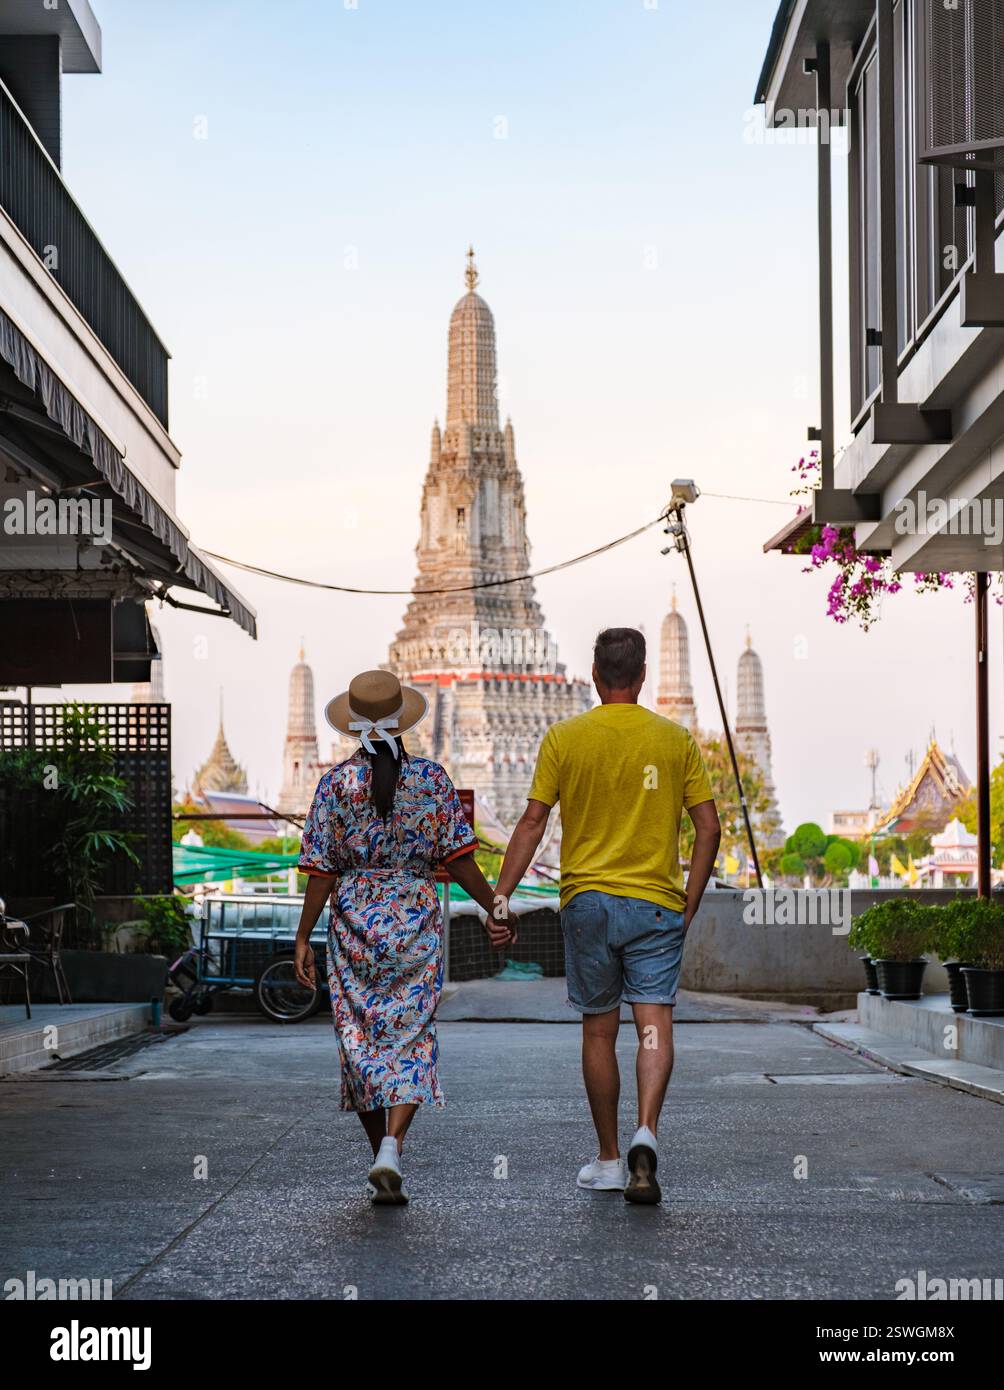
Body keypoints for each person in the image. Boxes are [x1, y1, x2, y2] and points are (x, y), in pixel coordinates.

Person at [493, 627, 721, 1204]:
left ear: (595, 675)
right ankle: (647, 1130)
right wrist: (687, 901)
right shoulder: (674, 741)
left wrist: (500, 897)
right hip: (655, 904)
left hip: (587, 904)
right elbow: (709, 828)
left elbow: (531, 823)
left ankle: (611, 1159)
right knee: (652, 1024)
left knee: (599, 1028)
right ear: (642, 676)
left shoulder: (566, 737)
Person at [293, 669, 512, 1205]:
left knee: (359, 1042)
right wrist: (495, 907)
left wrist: (302, 939)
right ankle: (393, 1144)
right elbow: (459, 861)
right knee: (411, 1037)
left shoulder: (335, 784)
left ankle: (382, 1154)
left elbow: (321, 872)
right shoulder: (433, 781)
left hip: (353, 926)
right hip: (415, 917)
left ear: (352, 726)